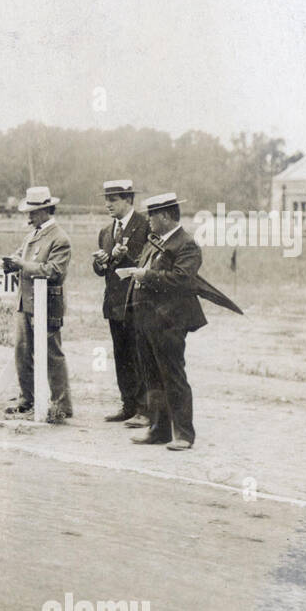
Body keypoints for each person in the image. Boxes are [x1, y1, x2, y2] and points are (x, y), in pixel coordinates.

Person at [125, 193, 206, 451]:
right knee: (152, 376)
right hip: (147, 319)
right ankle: (158, 430)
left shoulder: (187, 245)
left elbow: (181, 279)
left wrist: (146, 275)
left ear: (166, 216)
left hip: (170, 321)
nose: (148, 220)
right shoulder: (154, 243)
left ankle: (183, 433)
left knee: (172, 375)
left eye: (152, 215)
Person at [3, 186, 72, 419]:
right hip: (25, 302)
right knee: (22, 352)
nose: (29, 217)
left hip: (47, 304)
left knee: (52, 354)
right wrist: (10, 264)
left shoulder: (60, 238)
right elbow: (20, 258)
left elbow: (55, 271)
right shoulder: (30, 235)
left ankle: (62, 404)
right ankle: (27, 399)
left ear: (46, 211)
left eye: (33, 212)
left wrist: (22, 265)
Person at [91, 179, 150, 424]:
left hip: (138, 302)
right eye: (106, 199)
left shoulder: (146, 226)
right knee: (121, 354)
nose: (108, 204)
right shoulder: (106, 232)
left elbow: (151, 260)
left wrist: (129, 256)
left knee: (140, 355)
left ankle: (145, 409)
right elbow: (100, 270)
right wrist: (102, 261)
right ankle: (128, 405)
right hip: (115, 302)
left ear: (128, 200)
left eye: (113, 199)